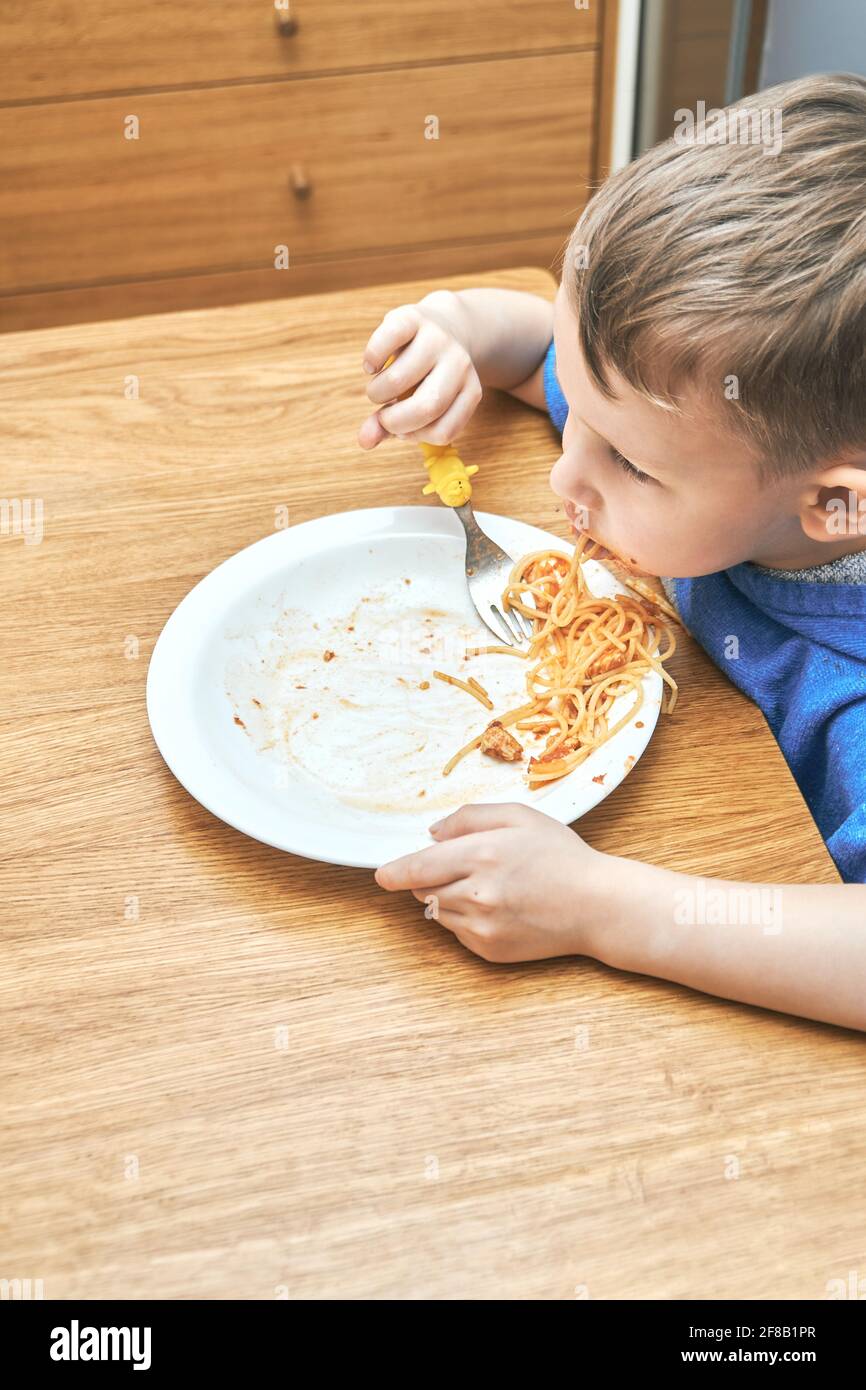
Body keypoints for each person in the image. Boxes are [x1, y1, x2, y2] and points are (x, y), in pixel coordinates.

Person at [360, 74, 866, 1032]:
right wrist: (460, 332)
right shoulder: (704, 428)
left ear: (835, 506)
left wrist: (603, 910)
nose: (564, 479)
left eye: (624, 462)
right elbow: (530, 352)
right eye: (576, 419)